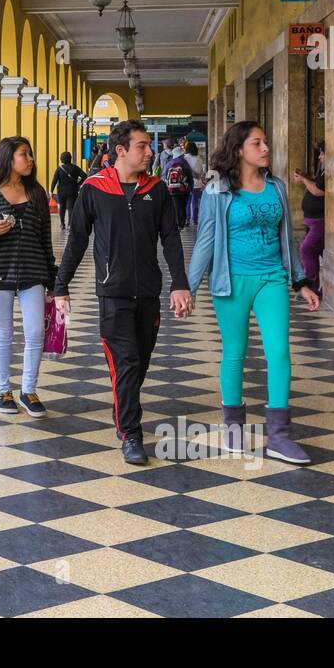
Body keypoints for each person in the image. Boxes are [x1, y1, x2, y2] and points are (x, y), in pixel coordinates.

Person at [54, 120, 193, 465]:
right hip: (112, 294)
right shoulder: (94, 188)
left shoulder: (156, 189)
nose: (150, 152)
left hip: (148, 293)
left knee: (139, 363)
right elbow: (77, 241)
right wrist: (61, 286)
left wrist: (180, 283)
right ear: (121, 151)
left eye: (149, 146)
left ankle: (124, 411)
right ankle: (131, 433)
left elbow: (171, 239)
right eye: (142, 146)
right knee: (126, 362)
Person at [186, 121, 322, 465]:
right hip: (231, 282)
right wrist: (186, 288)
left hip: (272, 278)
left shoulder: (276, 187)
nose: (265, 148)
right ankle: (233, 426)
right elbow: (205, 241)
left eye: (265, 142)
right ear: (239, 150)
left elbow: (287, 238)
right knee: (235, 352)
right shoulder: (218, 190)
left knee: (279, 352)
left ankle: (279, 436)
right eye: (257, 143)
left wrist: (300, 281)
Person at [0, 137, 58, 417]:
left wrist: (53, 278)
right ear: (8, 158)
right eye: (24, 154)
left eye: (30, 154)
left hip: (33, 273)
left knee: (35, 332)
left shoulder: (37, 193)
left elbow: (45, 239)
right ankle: (3, 391)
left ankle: (28, 390)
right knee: (3, 334)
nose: (30, 159)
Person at [293, 141, 327, 296]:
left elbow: (319, 191)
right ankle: (318, 285)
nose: (320, 157)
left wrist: (304, 180)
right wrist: (305, 177)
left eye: (322, 153)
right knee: (314, 252)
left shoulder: (329, 172)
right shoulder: (322, 170)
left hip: (320, 221)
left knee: (306, 250)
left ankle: (312, 288)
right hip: (312, 220)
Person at [49, 150, 86, 230]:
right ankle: (70, 224)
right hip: (72, 191)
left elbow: (54, 180)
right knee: (71, 208)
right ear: (70, 158)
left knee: (62, 207)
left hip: (61, 192)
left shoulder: (59, 169)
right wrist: (78, 183)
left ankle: (62, 224)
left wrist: (51, 191)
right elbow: (84, 175)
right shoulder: (75, 168)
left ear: (61, 159)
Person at [164, 151, 193, 228]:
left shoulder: (169, 163)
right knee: (183, 205)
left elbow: (165, 175)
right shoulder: (185, 163)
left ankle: (177, 223)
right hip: (183, 189)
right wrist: (191, 188)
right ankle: (182, 222)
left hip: (172, 189)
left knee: (176, 206)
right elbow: (190, 177)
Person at [182, 141, 206, 226]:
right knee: (195, 201)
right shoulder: (199, 159)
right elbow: (201, 171)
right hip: (197, 183)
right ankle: (195, 219)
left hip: (187, 182)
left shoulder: (185, 158)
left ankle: (187, 219)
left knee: (187, 202)